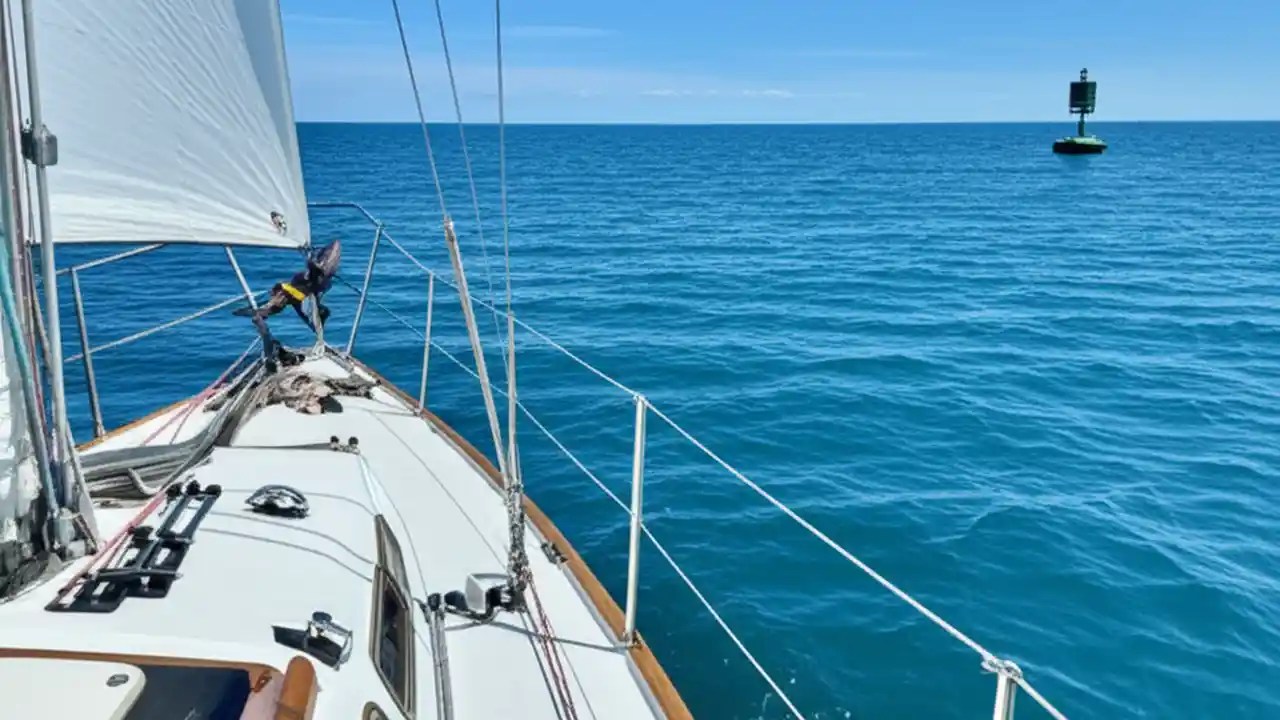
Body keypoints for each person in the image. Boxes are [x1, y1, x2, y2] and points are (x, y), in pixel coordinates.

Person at [236, 240, 342, 332]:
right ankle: (262, 312)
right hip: (299, 292)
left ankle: (262, 312)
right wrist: (311, 258)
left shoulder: (319, 278)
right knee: (282, 300)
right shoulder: (318, 278)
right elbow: (313, 269)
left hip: (301, 293)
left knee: (284, 300)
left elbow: (314, 270)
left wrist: (311, 259)